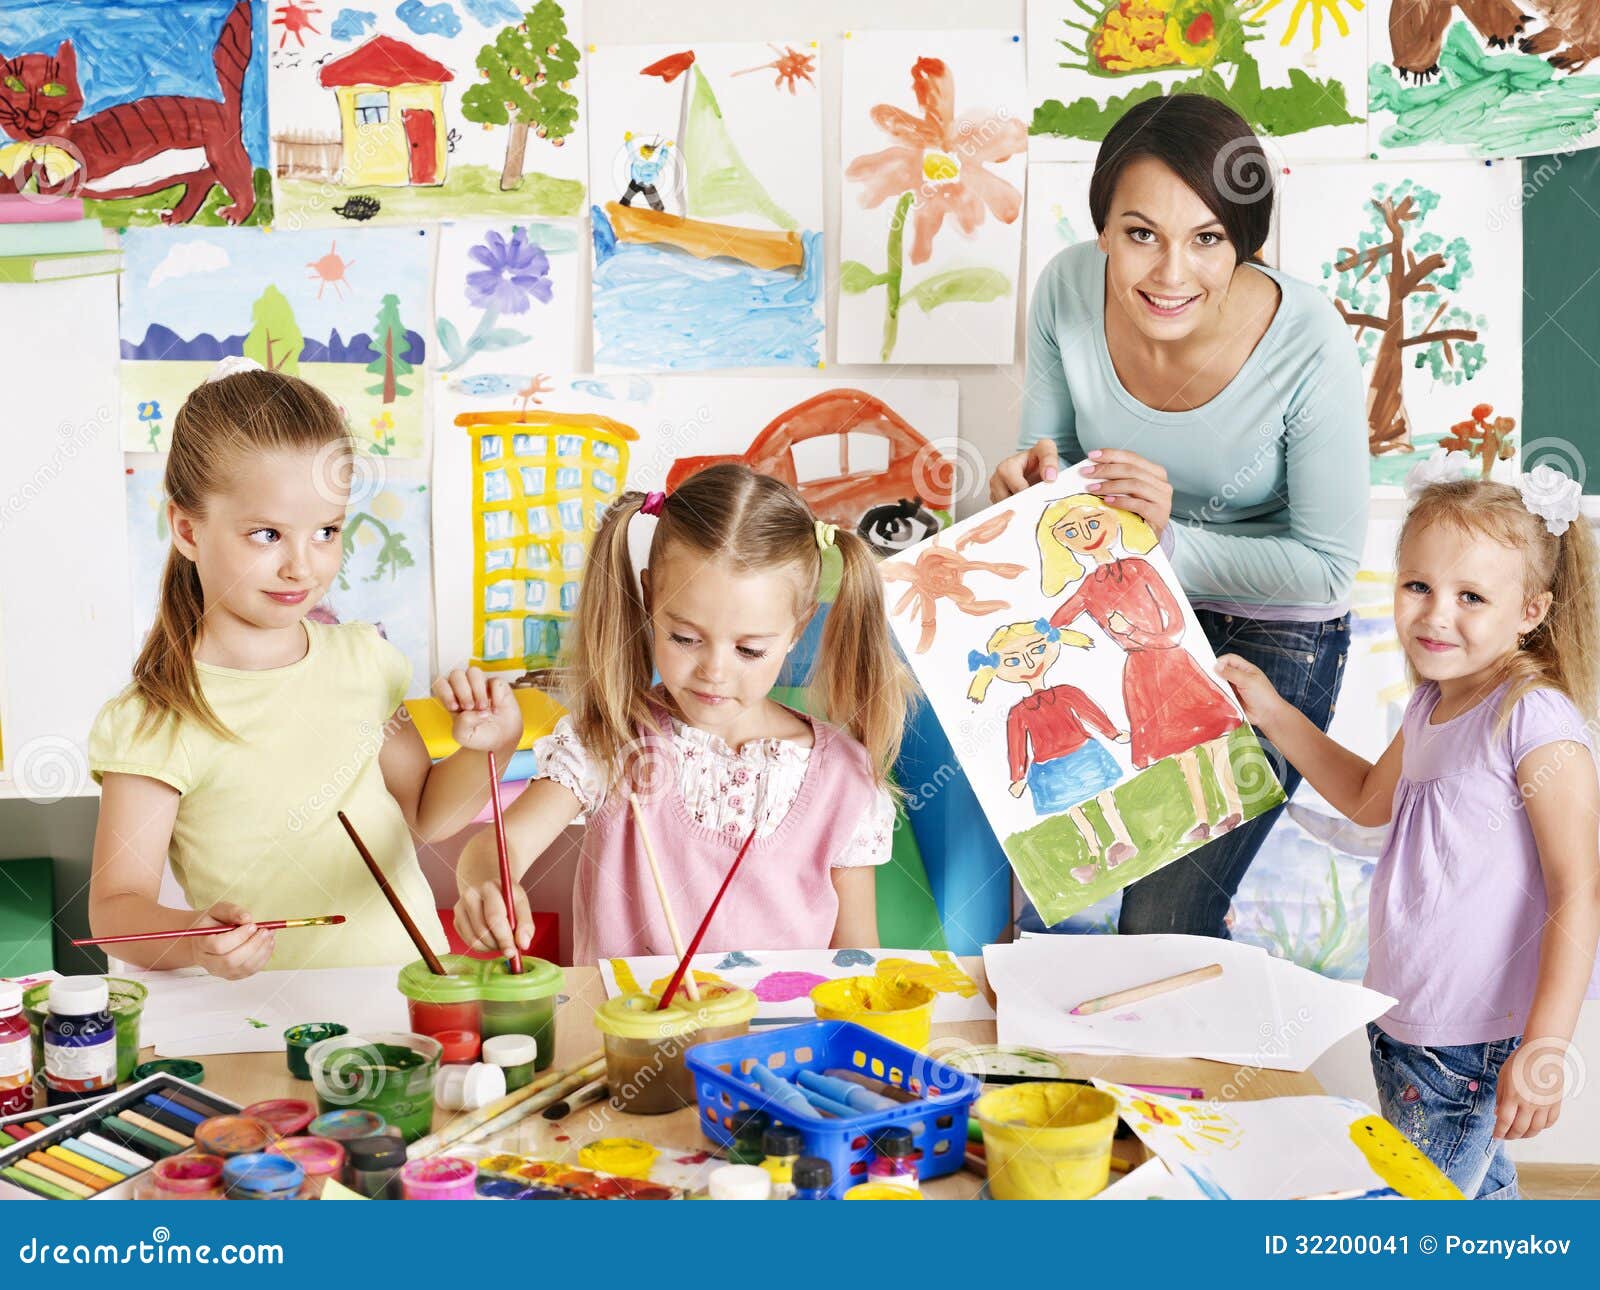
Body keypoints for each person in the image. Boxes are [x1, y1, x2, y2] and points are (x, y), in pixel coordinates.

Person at [989, 93, 1367, 936]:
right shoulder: (1064, 292)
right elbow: (1047, 461)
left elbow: (1329, 569)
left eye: (1207, 239)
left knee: (1161, 917)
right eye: (1140, 234)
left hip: (1277, 634)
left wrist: (1166, 544)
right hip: (1122, 611)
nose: (1169, 273)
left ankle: (1180, 1060)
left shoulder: (1308, 342)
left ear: (1245, 242)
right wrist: (1026, 487)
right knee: (1028, 870)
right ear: (1101, 229)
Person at [1218, 469, 1600, 1199]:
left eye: (1472, 598)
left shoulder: (1532, 718)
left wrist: (1548, 1041)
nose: (1435, 616)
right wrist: (1271, 712)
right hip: (1402, 1017)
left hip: (1471, 1039)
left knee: (1425, 1215)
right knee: (1473, 1196)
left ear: (1531, 610)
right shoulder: (1432, 703)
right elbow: (1367, 798)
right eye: (1417, 586)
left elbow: (1578, 887)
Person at [88, 360, 523, 977]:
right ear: (187, 528)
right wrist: (194, 940)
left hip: (408, 997)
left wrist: (492, 749)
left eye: (326, 530)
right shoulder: (159, 713)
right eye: (267, 534)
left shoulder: (363, 661)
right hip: (267, 1029)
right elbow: (114, 908)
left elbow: (427, 813)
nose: (302, 566)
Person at [453, 465, 914, 964]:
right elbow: (500, 846)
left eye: (750, 649)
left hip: (782, 1043)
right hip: (625, 1040)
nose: (714, 671)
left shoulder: (845, 777)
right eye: (685, 639)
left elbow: (858, 963)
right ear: (650, 599)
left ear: (798, 627)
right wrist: (487, 884)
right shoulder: (609, 741)